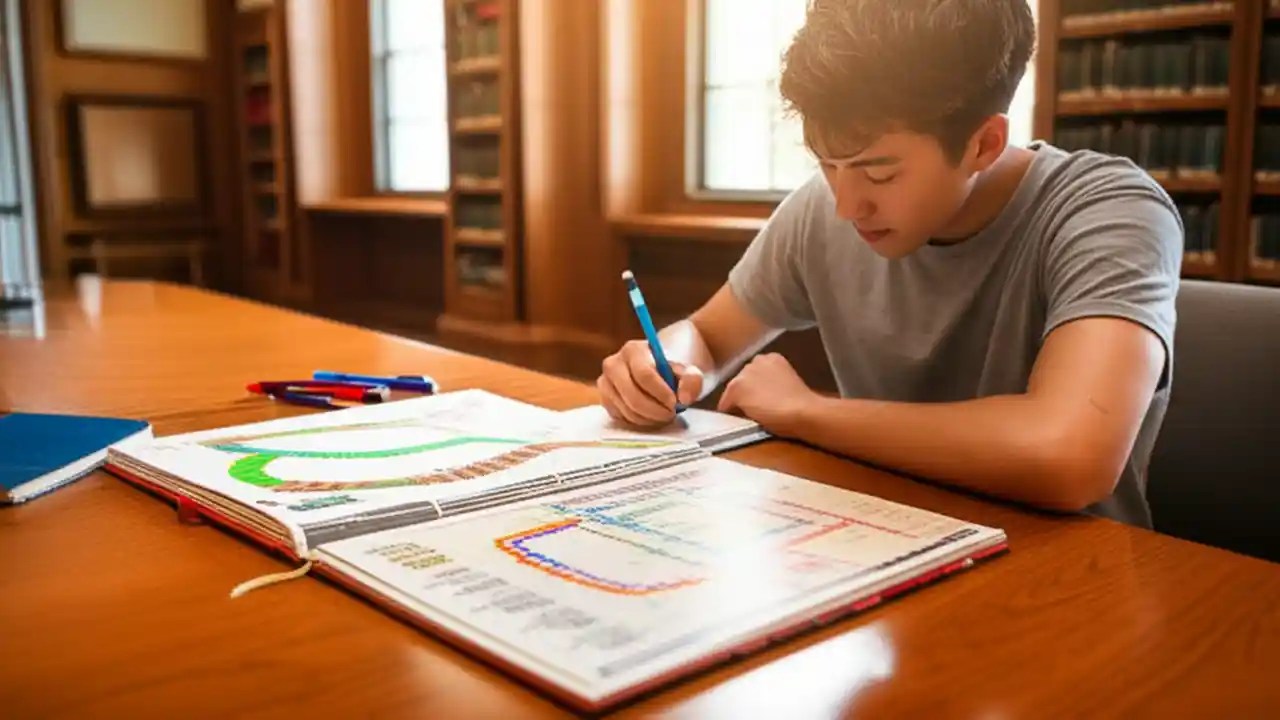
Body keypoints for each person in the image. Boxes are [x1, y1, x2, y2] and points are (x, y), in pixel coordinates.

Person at [596, 0, 1182, 527]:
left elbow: (1069, 456)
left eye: (880, 172)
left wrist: (807, 412)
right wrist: (664, 360)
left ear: (983, 144)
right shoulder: (822, 210)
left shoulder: (1110, 212)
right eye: (827, 165)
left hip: (1071, 581)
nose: (848, 206)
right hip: (886, 540)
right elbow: (706, 334)